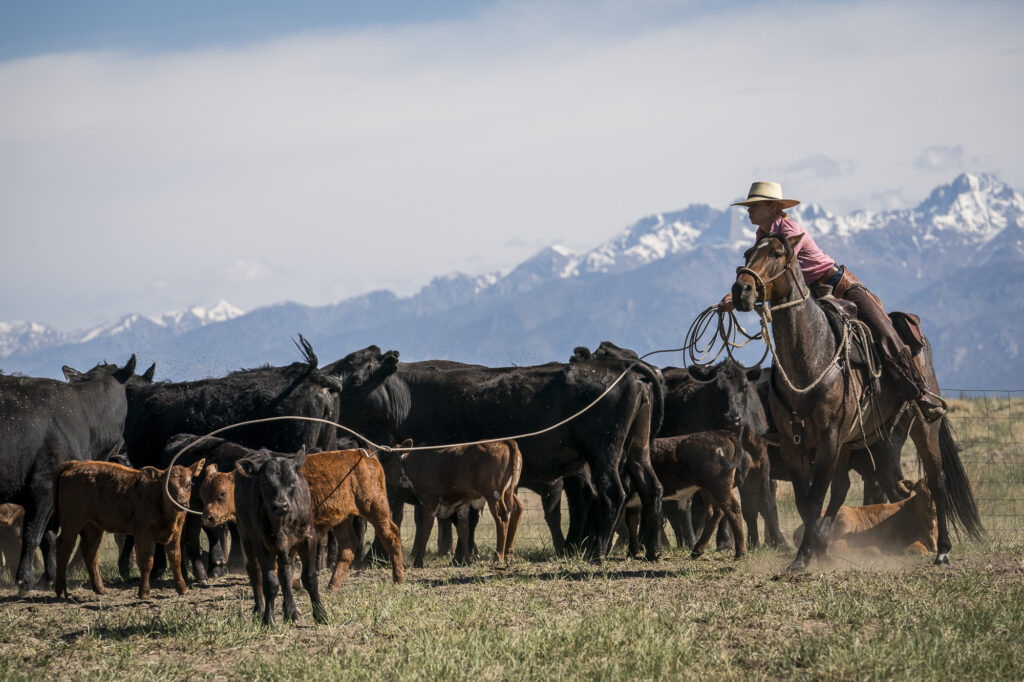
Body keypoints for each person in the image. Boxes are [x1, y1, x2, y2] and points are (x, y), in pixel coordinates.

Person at [720, 181, 945, 421]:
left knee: (884, 330)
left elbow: (782, 271)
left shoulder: (788, 231)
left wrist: (740, 297)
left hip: (839, 286)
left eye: (754, 205)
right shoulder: (762, 236)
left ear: (773, 207)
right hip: (808, 294)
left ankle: (920, 392)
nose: (748, 209)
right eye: (749, 205)